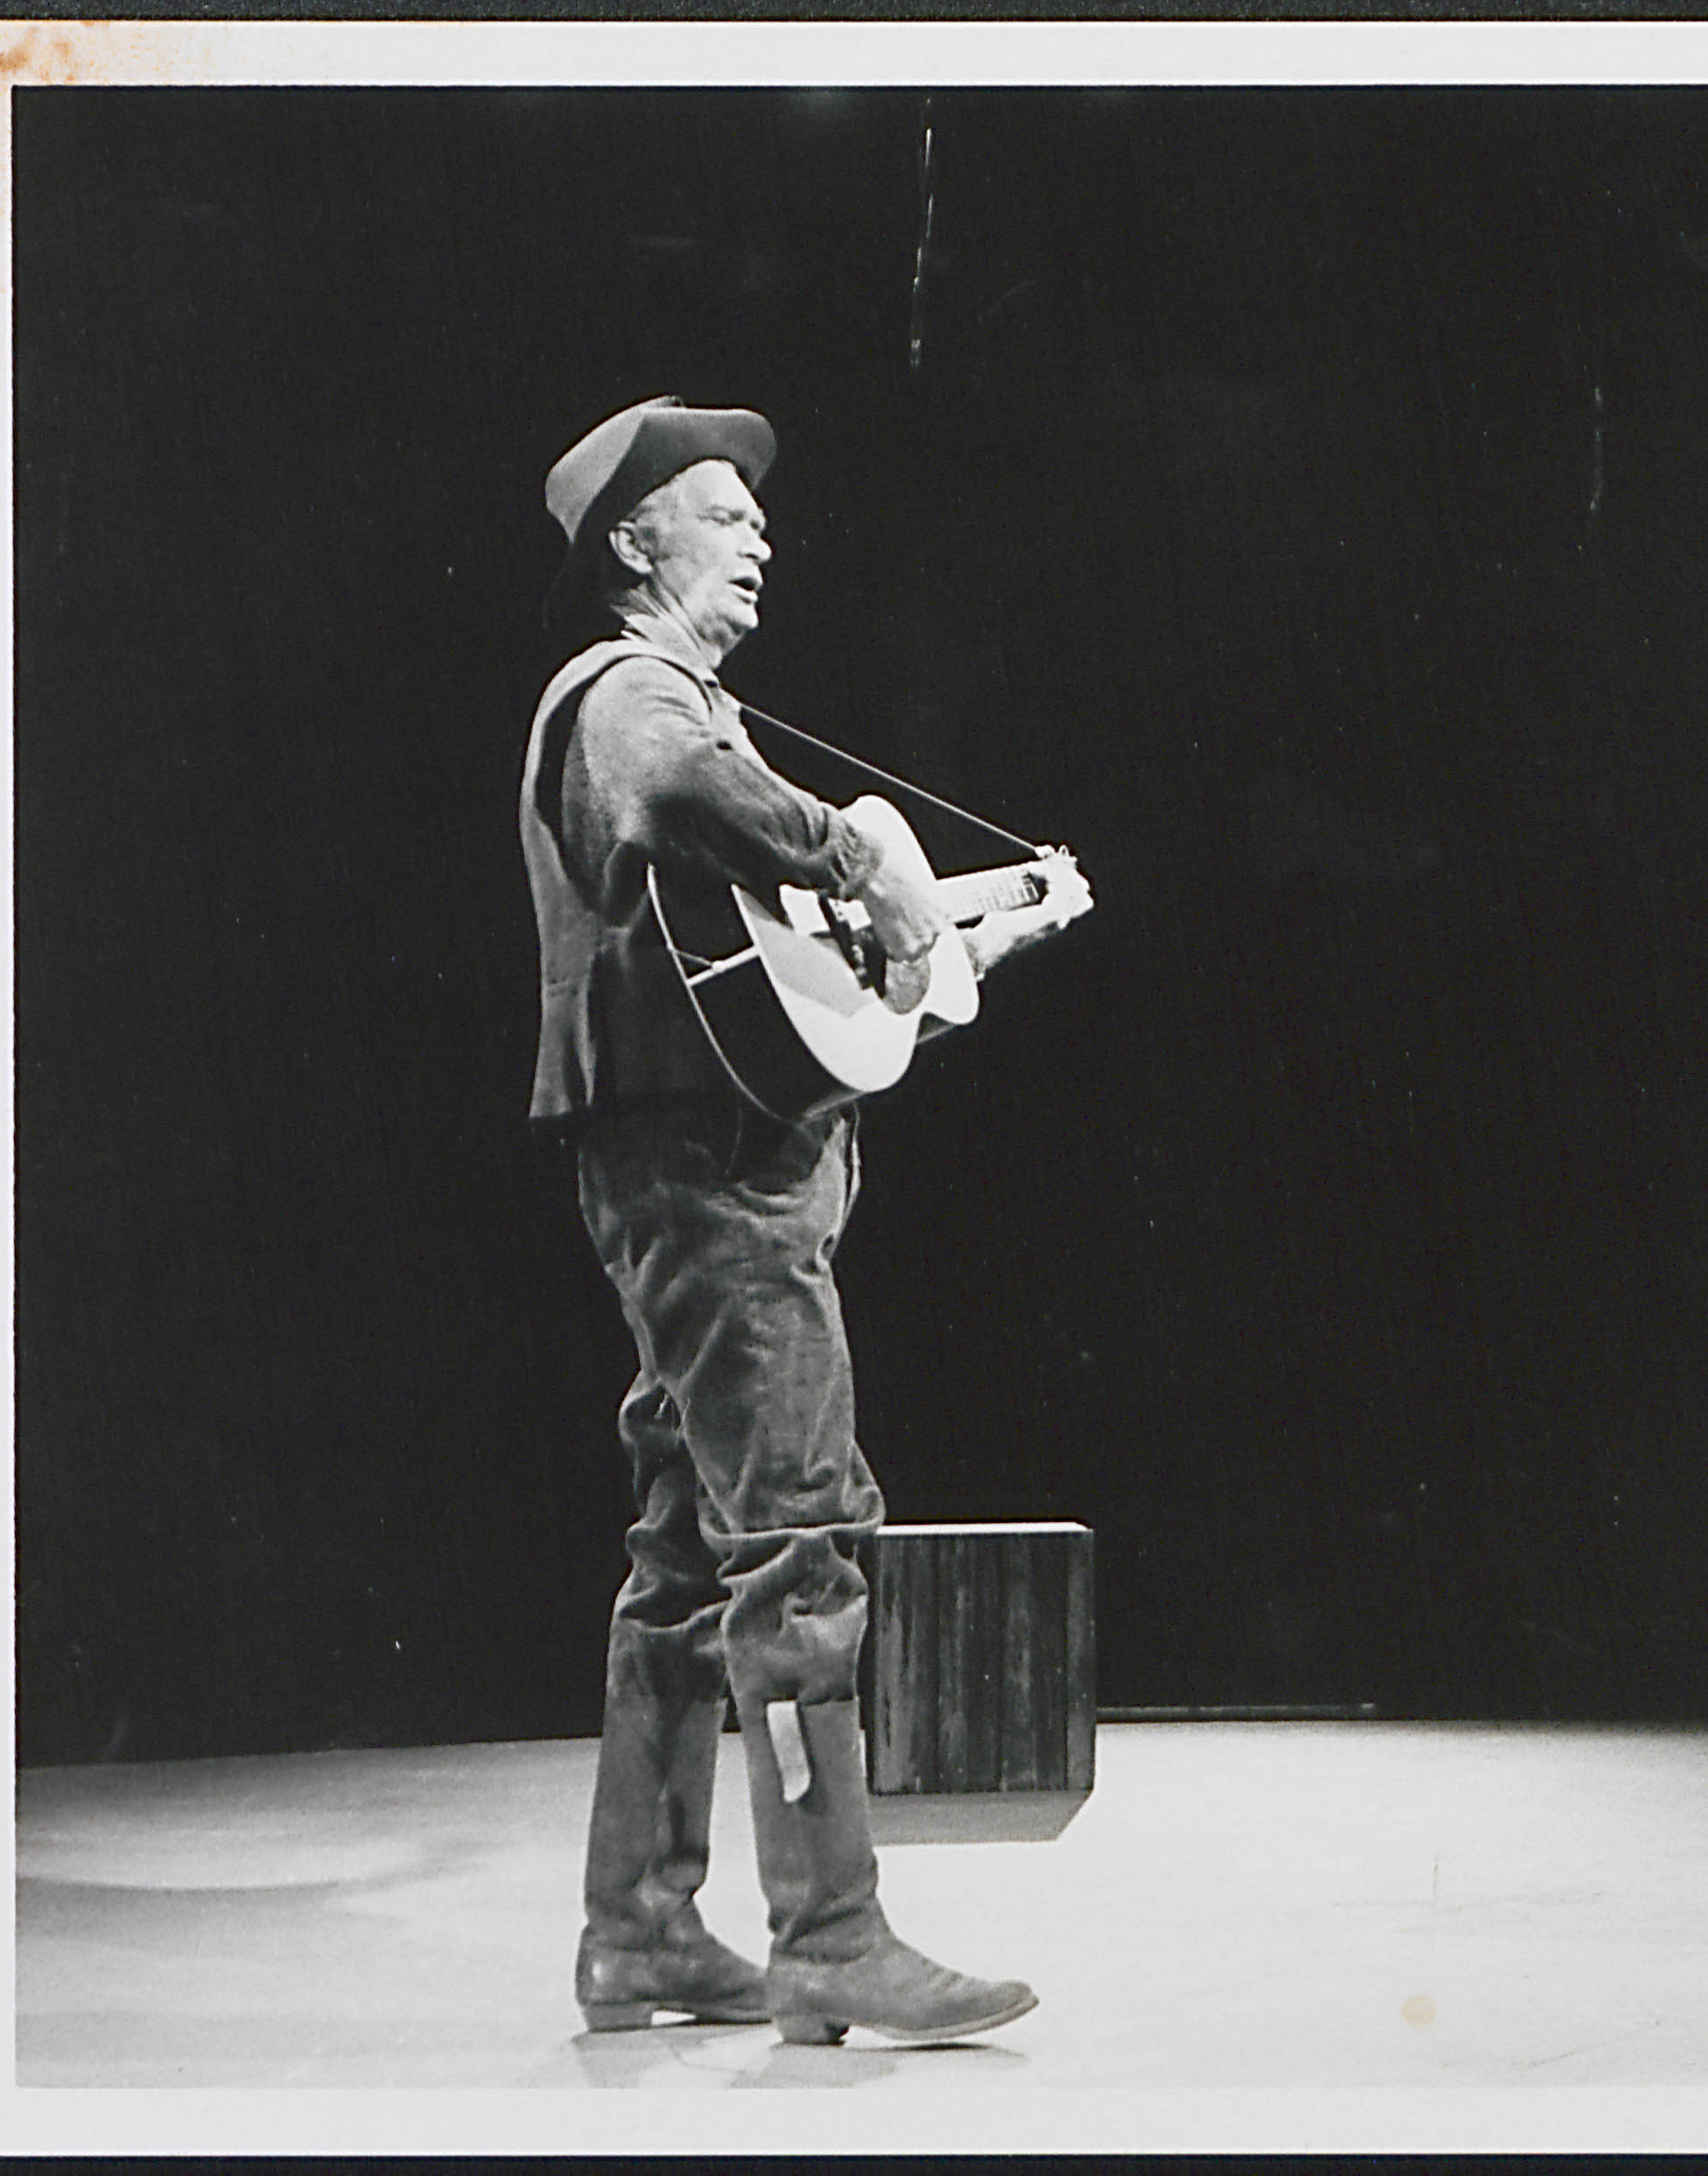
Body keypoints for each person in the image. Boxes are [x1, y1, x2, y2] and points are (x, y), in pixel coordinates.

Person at [519, 396, 1089, 2042]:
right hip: (707, 1182)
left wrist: (953, 928)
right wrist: (861, 858)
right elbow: (670, 788)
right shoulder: (627, 692)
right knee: (799, 1538)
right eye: (721, 510)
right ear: (636, 543)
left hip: (708, 1166)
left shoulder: (699, 714)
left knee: (685, 1554)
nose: (759, 531)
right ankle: (829, 1931)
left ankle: (639, 1926)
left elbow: (786, 981)